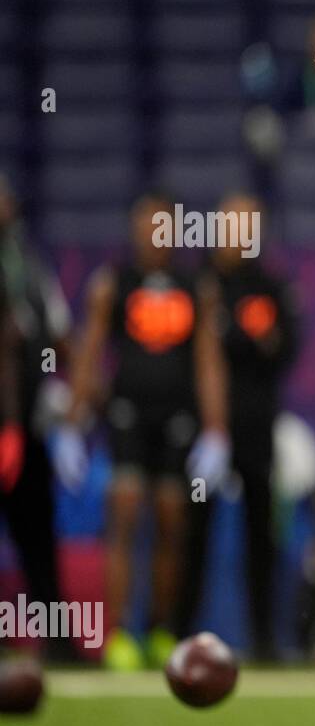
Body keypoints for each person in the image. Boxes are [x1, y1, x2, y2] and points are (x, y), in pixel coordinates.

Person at [53, 190, 230, 670]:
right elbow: (89, 354)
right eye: (145, 227)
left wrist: (216, 431)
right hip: (127, 413)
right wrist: (73, 423)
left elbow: (208, 362)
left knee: (173, 517)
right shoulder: (114, 283)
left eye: (162, 227)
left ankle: (159, 629)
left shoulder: (197, 287)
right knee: (125, 512)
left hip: (178, 418)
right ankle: (118, 635)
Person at [175, 192, 300, 660]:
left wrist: (264, 338)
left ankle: (265, 639)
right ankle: (179, 631)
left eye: (248, 227)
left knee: (259, 533)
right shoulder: (198, 286)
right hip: (201, 429)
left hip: (254, 425)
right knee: (193, 531)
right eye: (231, 226)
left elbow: (287, 350)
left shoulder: (269, 287)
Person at [0, 177, 73, 657]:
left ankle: (59, 639)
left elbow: (58, 336)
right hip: (9, 426)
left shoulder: (28, 267)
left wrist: (65, 404)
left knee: (37, 535)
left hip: (28, 425)